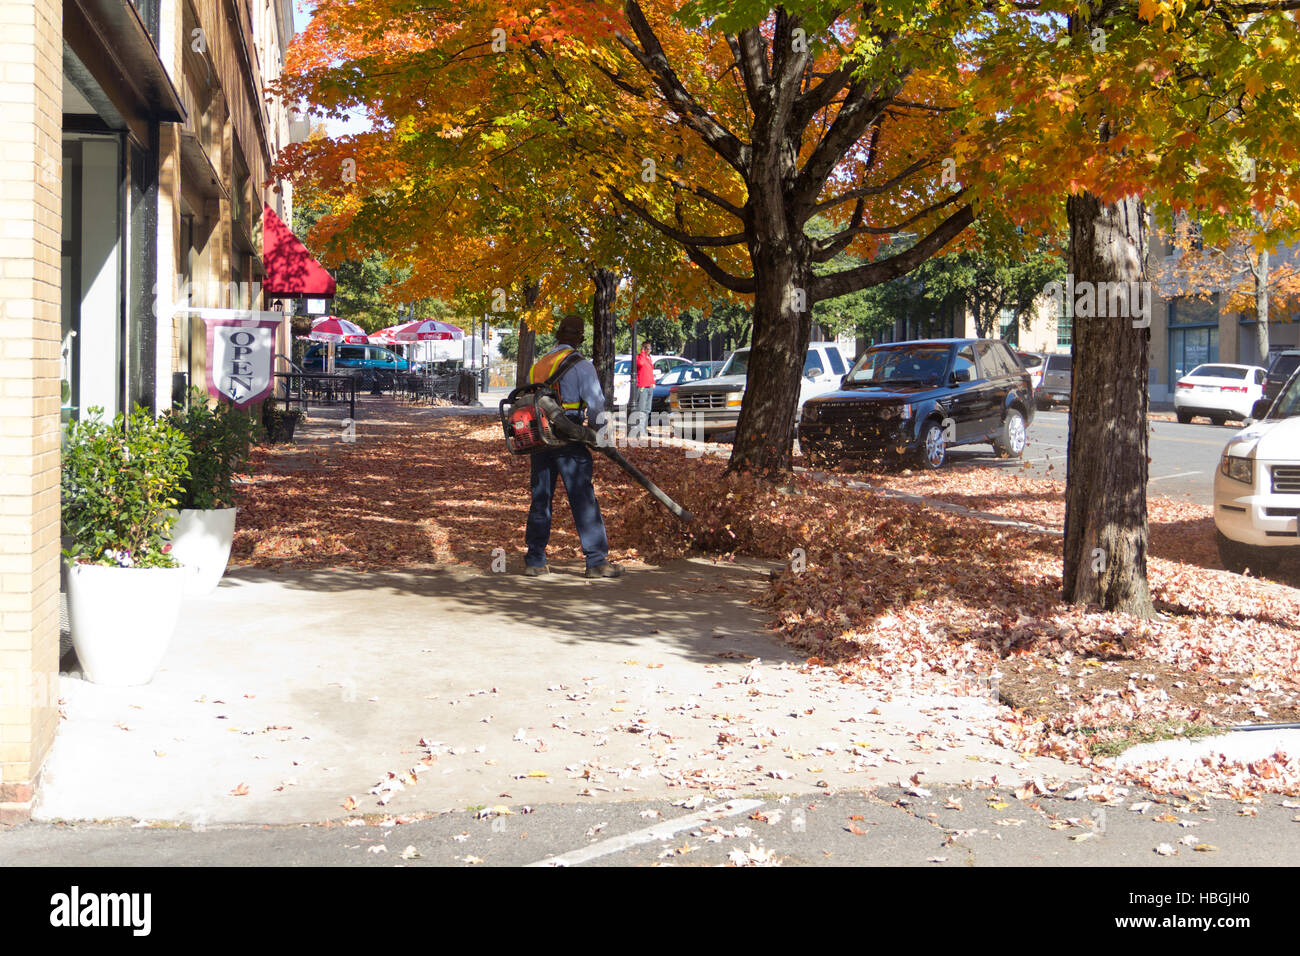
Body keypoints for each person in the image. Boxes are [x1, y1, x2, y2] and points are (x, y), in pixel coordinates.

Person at [523, 314, 623, 578]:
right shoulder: (581, 365)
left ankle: (535, 560)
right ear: (580, 338)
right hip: (570, 437)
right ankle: (597, 561)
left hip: (540, 438)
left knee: (540, 498)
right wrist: (601, 437)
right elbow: (597, 406)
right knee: (582, 498)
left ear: (557, 335)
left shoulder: (538, 365)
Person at [632, 342, 655, 438]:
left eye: (650, 348)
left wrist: (653, 382)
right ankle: (639, 430)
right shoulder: (640, 357)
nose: (649, 350)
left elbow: (650, 371)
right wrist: (642, 353)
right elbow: (640, 364)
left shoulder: (649, 358)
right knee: (641, 409)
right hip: (642, 386)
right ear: (644, 349)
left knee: (647, 409)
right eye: (648, 348)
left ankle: (644, 429)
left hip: (649, 386)